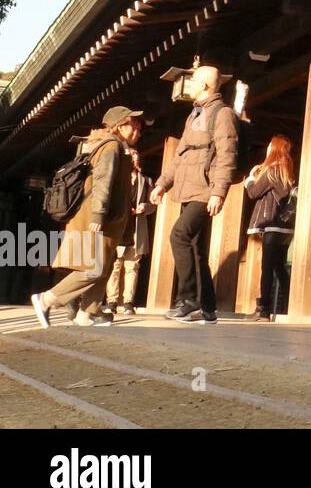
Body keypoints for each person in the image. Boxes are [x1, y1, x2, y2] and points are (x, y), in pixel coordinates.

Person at [30, 106, 142, 329]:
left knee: (105, 266)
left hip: (110, 220)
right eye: (134, 124)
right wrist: (98, 214)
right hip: (100, 218)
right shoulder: (111, 146)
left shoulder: (115, 147)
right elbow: (103, 182)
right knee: (94, 268)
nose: (138, 129)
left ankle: (87, 312)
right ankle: (46, 299)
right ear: (119, 126)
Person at [149, 64, 238, 325]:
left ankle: (187, 301)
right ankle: (208, 309)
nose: (190, 85)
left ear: (206, 86)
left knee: (179, 235)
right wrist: (162, 184)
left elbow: (227, 156)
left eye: (194, 81)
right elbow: (180, 156)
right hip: (189, 189)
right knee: (197, 249)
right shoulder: (194, 115)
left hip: (205, 190)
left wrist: (218, 192)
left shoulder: (222, 114)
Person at [244, 134, 296, 320]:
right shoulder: (289, 172)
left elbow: (253, 192)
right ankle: (290, 305)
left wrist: (250, 178)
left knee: (267, 267)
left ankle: (263, 309)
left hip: (272, 224)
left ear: (273, 149)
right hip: (287, 226)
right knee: (279, 266)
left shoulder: (272, 170)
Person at [104, 146, 155, 316]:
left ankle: (128, 302)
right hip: (119, 227)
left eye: (136, 156)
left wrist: (144, 207)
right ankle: (111, 301)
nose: (135, 159)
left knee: (132, 266)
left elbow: (153, 204)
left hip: (136, 229)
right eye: (132, 156)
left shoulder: (146, 180)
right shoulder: (117, 179)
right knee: (115, 266)